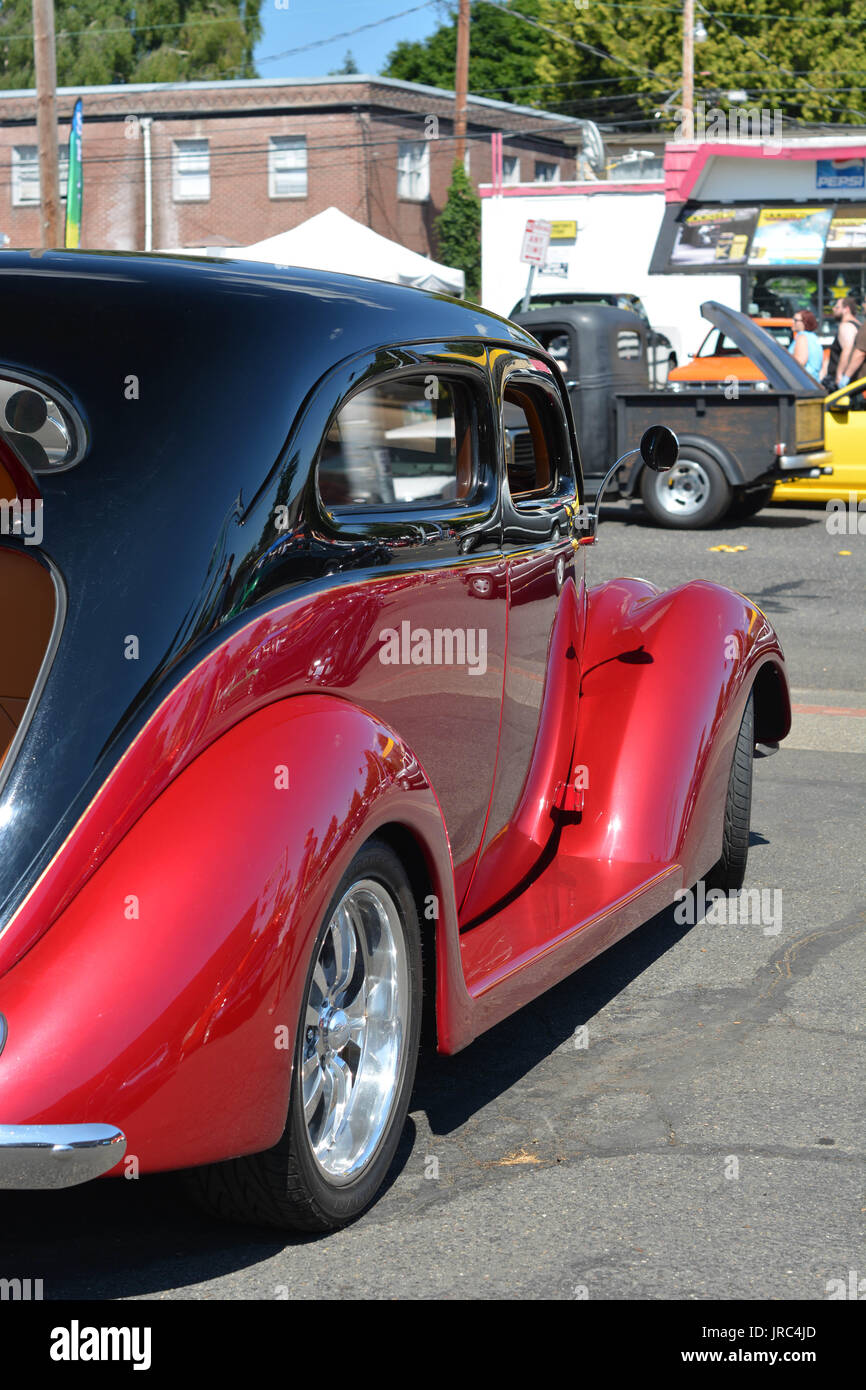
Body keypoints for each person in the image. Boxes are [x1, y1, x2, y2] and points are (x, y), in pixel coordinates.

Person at [823, 296, 860, 390]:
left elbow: (847, 350)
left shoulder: (846, 326)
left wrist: (839, 375)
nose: (833, 309)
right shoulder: (858, 325)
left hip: (841, 381)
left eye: (837, 307)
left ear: (846, 309)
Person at [788, 310, 823, 381]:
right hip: (812, 382)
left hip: (803, 383)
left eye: (795, 320)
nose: (792, 322)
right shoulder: (813, 337)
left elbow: (799, 363)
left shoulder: (802, 337)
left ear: (805, 322)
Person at [841, 299, 866, 387]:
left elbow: (860, 353)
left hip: (861, 385)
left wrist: (846, 376)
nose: (863, 305)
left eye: (865, 302)